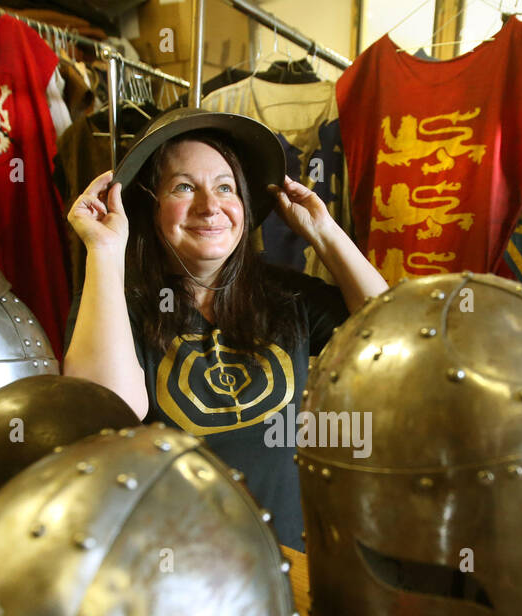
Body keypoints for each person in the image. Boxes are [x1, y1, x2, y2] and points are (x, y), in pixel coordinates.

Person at [63, 109, 388, 550]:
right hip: (183, 565)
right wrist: (103, 249)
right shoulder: (114, 305)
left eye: (225, 187)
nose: (210, 206)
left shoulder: (282, 294)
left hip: (293, 553)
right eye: (183, 187)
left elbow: (389, 327)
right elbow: (106, 413)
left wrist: (324, 232)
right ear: (149, 205)